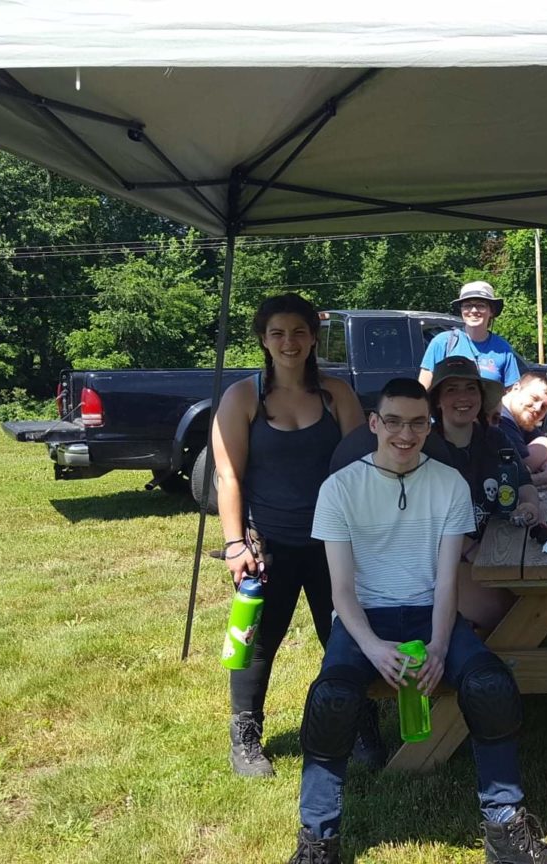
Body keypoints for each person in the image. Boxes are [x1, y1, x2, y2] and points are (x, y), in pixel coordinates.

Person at [291, 378, 547, 864]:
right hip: (364, 620)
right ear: (374, 424)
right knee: (331, 700)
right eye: (395, 422)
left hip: (431, 613)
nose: (405, 435)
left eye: (417, 423)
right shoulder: (339, 488)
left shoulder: (447, 483)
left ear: (430, 427)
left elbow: (447, 582)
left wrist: (441, 646)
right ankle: (318, 841)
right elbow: (341, 591)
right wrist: (374, 648)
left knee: (490, 685)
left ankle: (505, 829)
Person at [209, 293, 365, 778]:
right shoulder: (242, 397)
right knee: (258, 640)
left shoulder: (337, 395)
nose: (289, 342)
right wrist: (236, 543)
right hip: (267, 544)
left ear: (314, 338)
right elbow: (228, 476)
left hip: (331, 544)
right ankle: (246, 736)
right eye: (277, 333)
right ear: (263, 339)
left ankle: (359, 724)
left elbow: (361, 469)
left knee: (344, 635)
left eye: (298, 332)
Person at [427, 356, 539, 628]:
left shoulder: (495, 437)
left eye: (470, 388)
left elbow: (525, 483)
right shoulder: (426, 447)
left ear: (480, 396)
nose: (462, 397)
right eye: (451, 389)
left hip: (499, 546)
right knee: (502, 609)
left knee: (533, 593)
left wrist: (530, 505)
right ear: (438, 401)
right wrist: (473, 551)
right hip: (444, 558)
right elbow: (427, 521)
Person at [419, 280, 524, 388]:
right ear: (461, 310)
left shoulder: (502, 349)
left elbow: (511, 392)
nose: (473, 310)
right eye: (467, 305)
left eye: (481, 305)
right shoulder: (442, 342)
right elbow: (423, 390)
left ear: (491, 311)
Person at [497, 370, 547, 484]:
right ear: (516, 388)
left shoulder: (522, 418)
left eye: (545, 407)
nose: (537, 408)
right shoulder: (499, 419)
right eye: (534, 398)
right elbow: (519, 472)